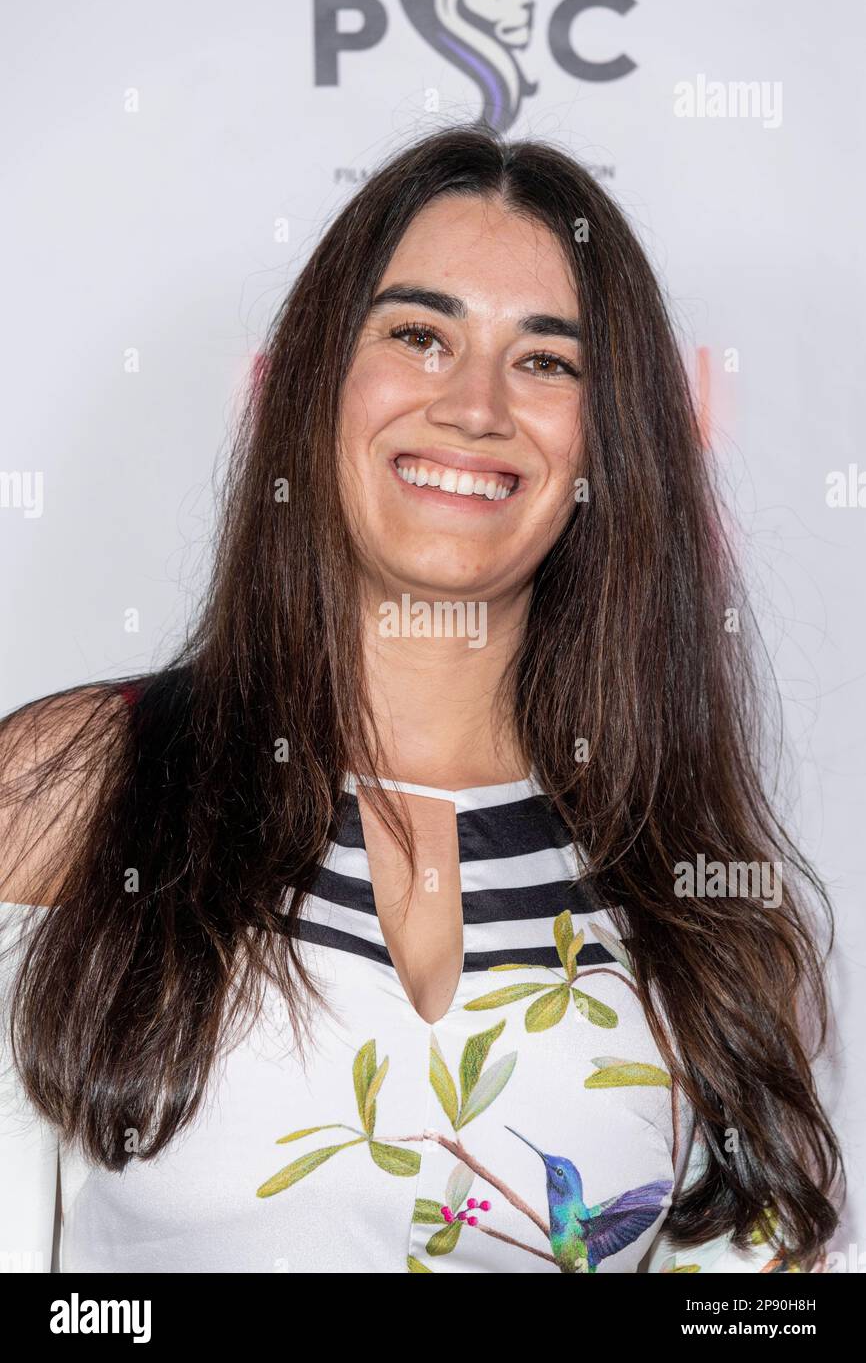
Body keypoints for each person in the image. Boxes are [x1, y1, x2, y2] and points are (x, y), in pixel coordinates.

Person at [0, 124, 843, 1274]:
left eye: (546, 360)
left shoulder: (710, 925)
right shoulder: (78, 786)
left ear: (608, 442)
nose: (474, 406)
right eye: (418, 335)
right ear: (315, 380)